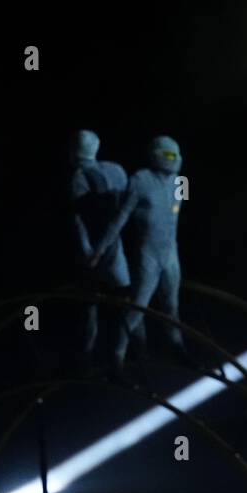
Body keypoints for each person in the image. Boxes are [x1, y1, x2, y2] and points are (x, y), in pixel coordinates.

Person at [93, 136, 190, 368]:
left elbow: (175, 214)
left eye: (176, 154)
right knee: (137, 308)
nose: (174, 160)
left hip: (170, 253)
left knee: (171, 306)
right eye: (168, 155)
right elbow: (120, 219)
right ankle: (118, 355)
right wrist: (100, 250)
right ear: (156, 155)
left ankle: (177, 347)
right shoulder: (140, 180)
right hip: (148, 254)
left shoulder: (180, 182)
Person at [68, 129, 137, 368]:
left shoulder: (81, 178)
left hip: (102, 246)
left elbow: (79, 221)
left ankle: (113, 356)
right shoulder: (115, 171)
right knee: (103, 303)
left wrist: (88, 250)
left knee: (100, 304)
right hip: (106, 246)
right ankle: (99, 357)